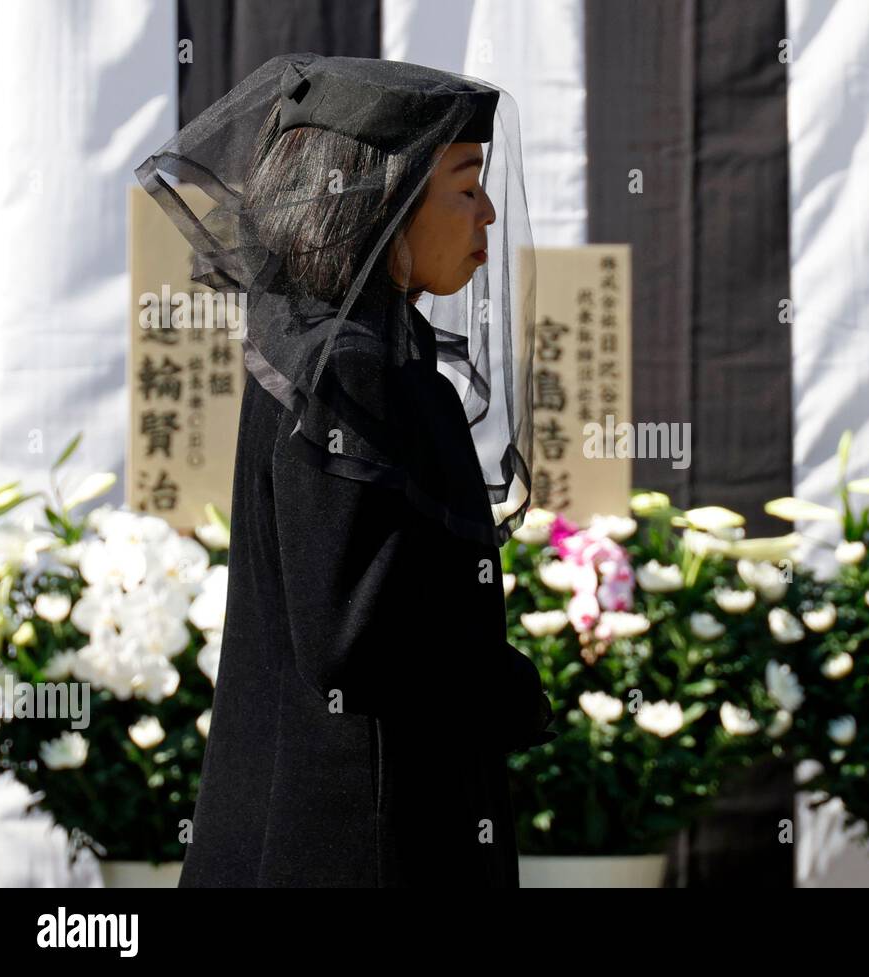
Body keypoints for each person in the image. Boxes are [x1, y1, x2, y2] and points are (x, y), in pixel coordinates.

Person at [135, 54, 554, 887]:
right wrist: (503, 685)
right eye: (465, 187)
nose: (491, 214)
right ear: (382, 196)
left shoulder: (318, 342)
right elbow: (354, 639)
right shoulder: (357, 368)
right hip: (365, 837)